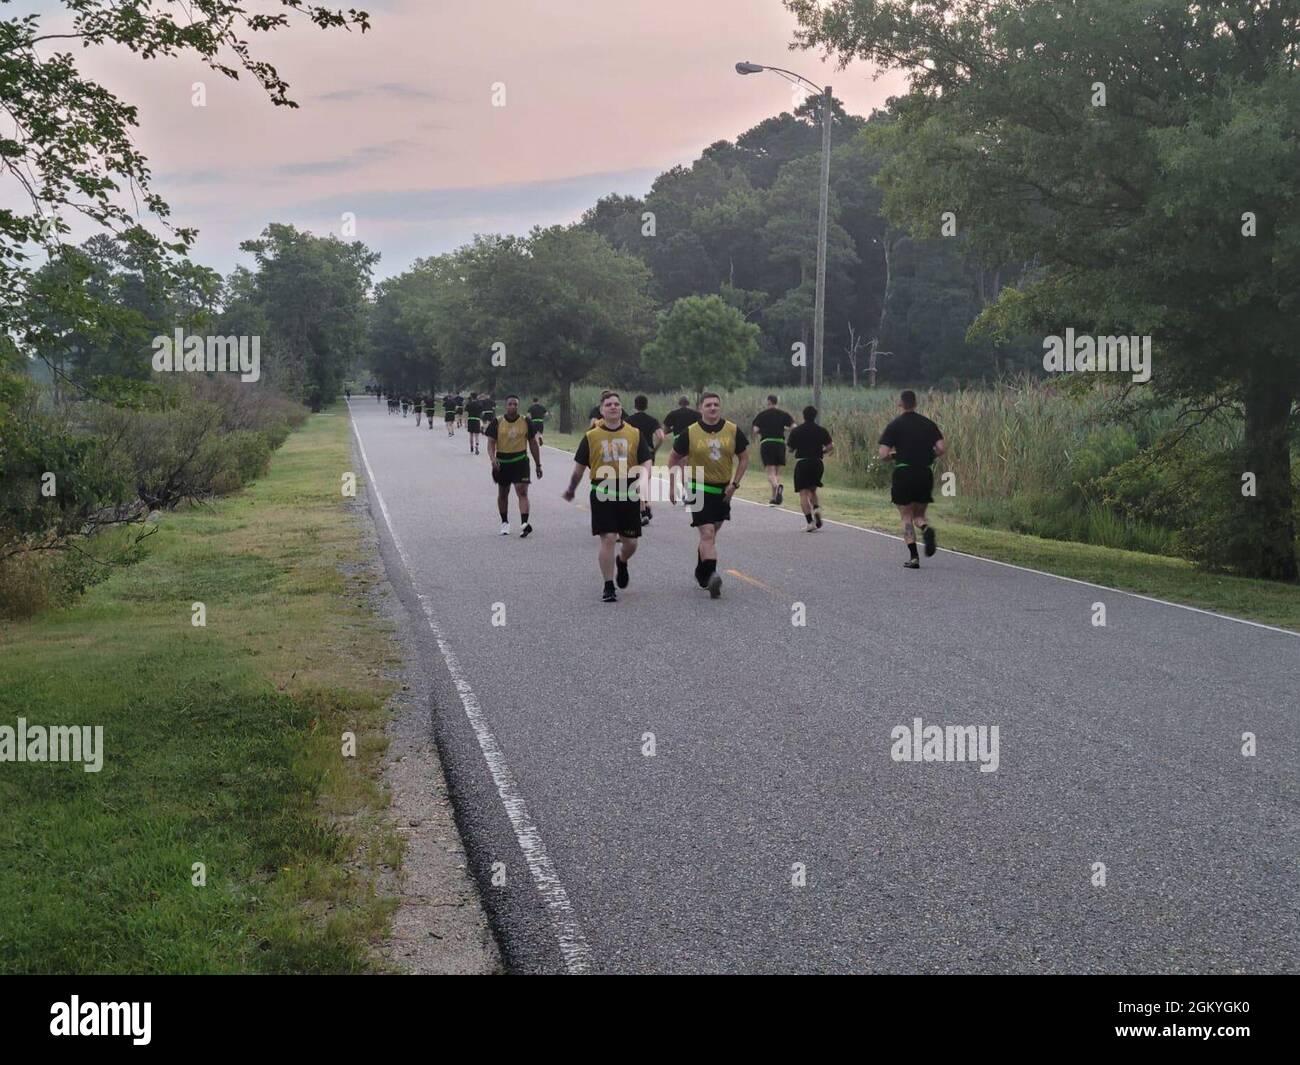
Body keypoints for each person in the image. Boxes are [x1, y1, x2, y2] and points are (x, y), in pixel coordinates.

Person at [564, 391, 651, 603]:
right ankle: (608, 585)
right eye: (609, 404)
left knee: (630, 543)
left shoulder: (635, 433)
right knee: (609, 537)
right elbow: (579, 468)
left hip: (629, 493)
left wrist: (643, 483)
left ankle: (622, 561)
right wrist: (572, 488)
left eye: (617, 404)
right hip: (602, 492)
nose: (613, 407)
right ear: (602, 410)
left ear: (621, 408)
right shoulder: (591, 436)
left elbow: (646, 460)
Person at [667, 392, 748, 598]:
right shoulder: (691, 432)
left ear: (720, 407)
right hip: (698, 488)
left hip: (723, 491)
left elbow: (744, 458)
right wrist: (671, 485)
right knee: (707, 533)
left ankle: (701, 570)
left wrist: (734, 484)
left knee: (712, 533)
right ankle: (712, 576)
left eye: (716, 405)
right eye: (708, 405)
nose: (713, 408)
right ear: (701, 408)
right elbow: (674, 458)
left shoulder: (732, 430)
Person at [877, 389, 946, 569]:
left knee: (906, 515)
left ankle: (914, 557)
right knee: (919, 515)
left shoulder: (894, 425)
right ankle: (925, 528)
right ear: (915, 403)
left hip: (903, 473)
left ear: (901, 403)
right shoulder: (928, 424)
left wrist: (894, 456)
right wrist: (926, 455)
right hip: (924, 473)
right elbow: (941, 448)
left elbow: (883, 454)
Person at [486, 395, 542, 537]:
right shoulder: (497, 421)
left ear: (518, 405)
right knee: (503, 494)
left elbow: (533, 444)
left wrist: (538, 464)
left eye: (515, 404)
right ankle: (505, 522)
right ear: (506, 406)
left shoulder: (526, 421)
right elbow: (491, 443)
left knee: (522, 491)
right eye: (510, 404)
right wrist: (493, 460)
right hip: (503, 463)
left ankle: (524, 524)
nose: (513, 406)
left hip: (520, 460)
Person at [787, 406, 834, 531]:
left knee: (803, 493)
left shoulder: (797, 431)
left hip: (802, 463)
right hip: (817, 463)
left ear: (803, 416)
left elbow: (790, 449)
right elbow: (830, 447)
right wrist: (821, 451)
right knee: (812, 490)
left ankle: (810, 522)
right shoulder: (821, 430)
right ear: (815, 416)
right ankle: (816, 508)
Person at [624, 395, 664, 525]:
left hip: (633, 452)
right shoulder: (652, 420)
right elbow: (661, 437)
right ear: (646, 406)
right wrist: (655, 449)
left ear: (634, 405)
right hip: (648, 452)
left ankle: (642, 509)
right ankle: (644, 507)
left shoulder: (627, 420)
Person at [751, 394, 794, 505]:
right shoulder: (783, 414)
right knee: (776, 472)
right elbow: (794, 426)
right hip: (780, 443)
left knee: (770, 472)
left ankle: (777, 486)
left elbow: (755, 430)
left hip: (767, 443)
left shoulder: (762, 415)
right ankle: (774, 497)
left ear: (768, 401)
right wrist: (785, 429)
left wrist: (763, 432)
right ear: (776, 402)